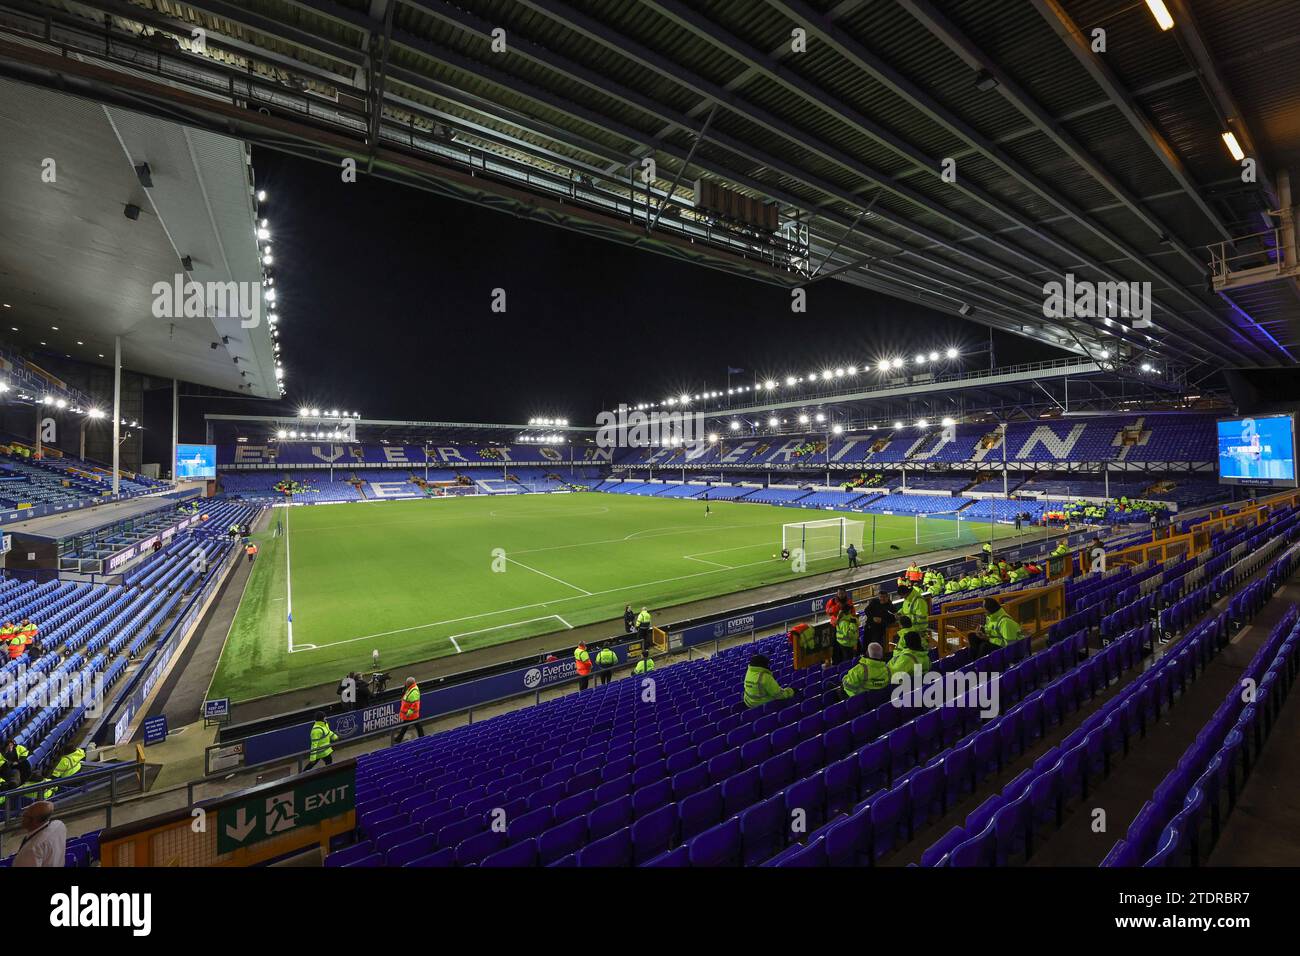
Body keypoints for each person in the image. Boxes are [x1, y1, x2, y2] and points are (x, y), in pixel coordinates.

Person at [12, 801, 66, 868]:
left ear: (34, 821)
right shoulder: (59, 825)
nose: (22, 815)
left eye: (25, 815)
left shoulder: (31, 850)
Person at [393, 677, 423, 742]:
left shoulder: (413, 692)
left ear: (408, 684)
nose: (405, 684)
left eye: (406, 683)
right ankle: (422, 737)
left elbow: (415, 705)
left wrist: (408, 713)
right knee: (416, 726)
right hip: (411, 714)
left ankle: (399, 739)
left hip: (410, 715)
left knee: (407, 726)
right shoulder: (411, 689)